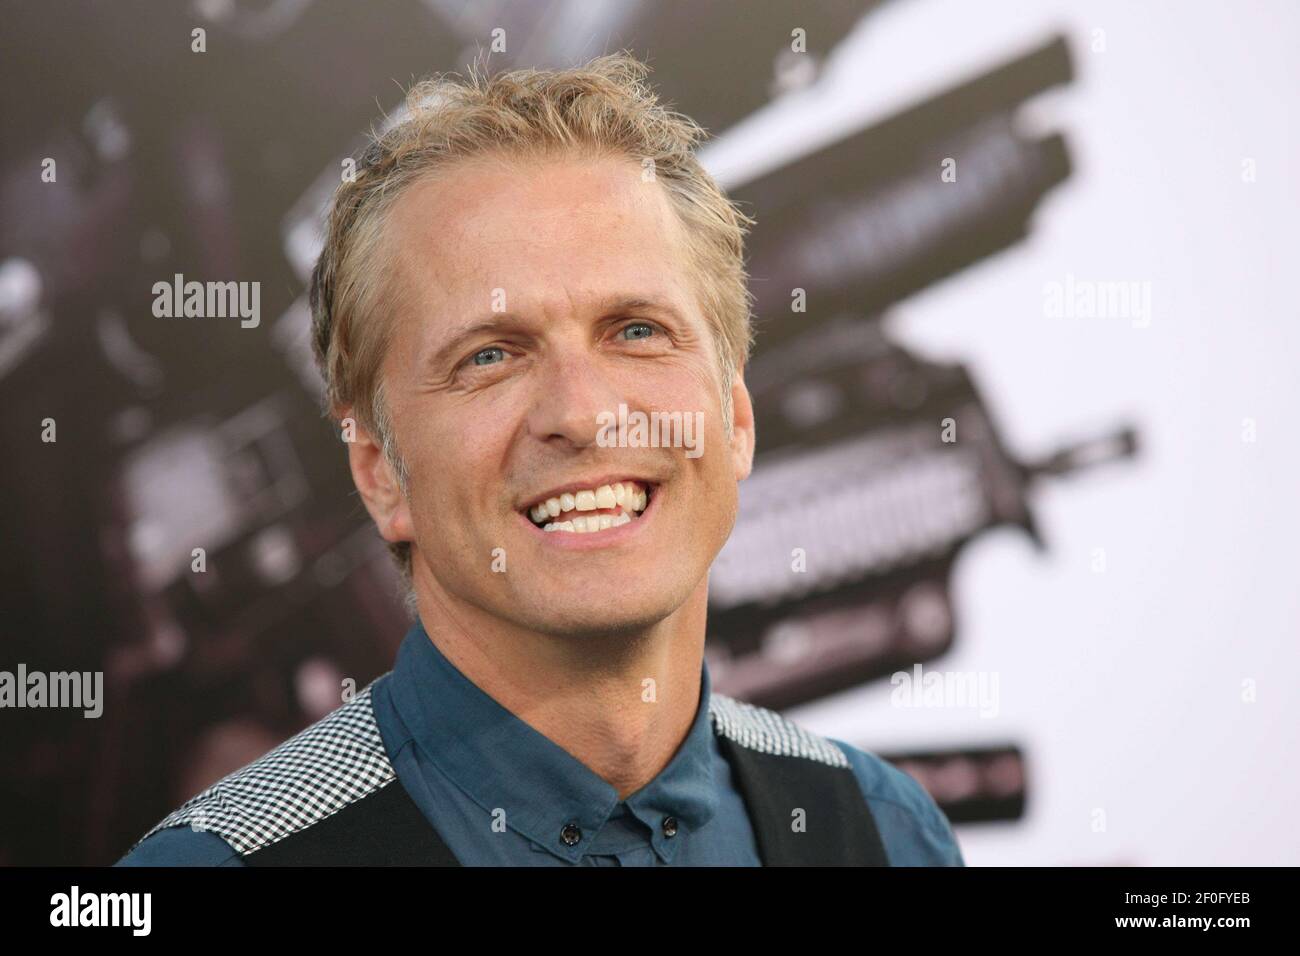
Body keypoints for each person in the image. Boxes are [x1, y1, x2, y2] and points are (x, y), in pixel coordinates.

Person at [116, 52, 964, 867]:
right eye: (490, 356)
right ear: (379, 471)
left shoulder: (886, 836)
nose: (583, 415)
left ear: (735, 420)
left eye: (638, 331)